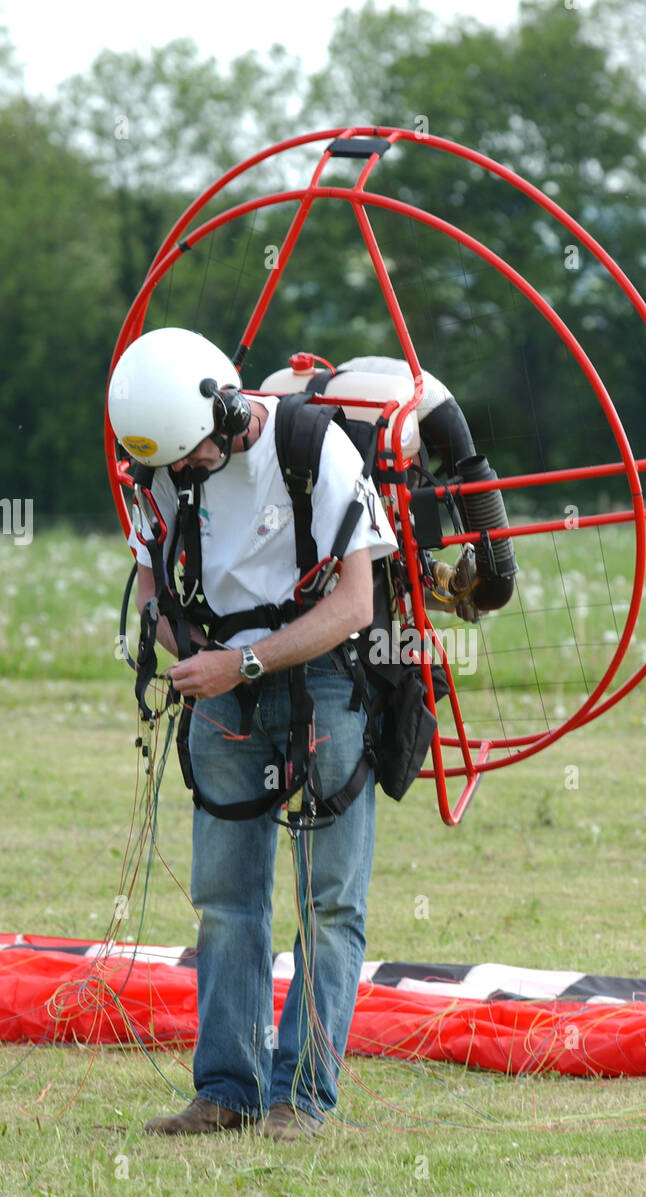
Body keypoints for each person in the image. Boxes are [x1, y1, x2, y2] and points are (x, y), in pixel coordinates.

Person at [109, 327, 398, 1140]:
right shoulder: (157, 468)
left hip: (325, 687)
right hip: (220, 697)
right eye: (168, 467)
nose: (183, 476)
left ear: (229, 408)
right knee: (226, 903)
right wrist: (193, 659)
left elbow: (353, 607)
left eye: (195, 457)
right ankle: (226, 1090)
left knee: (328, 901)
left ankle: (301, 1099)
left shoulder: (314, 449)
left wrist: (243, 666)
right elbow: (153, 591)